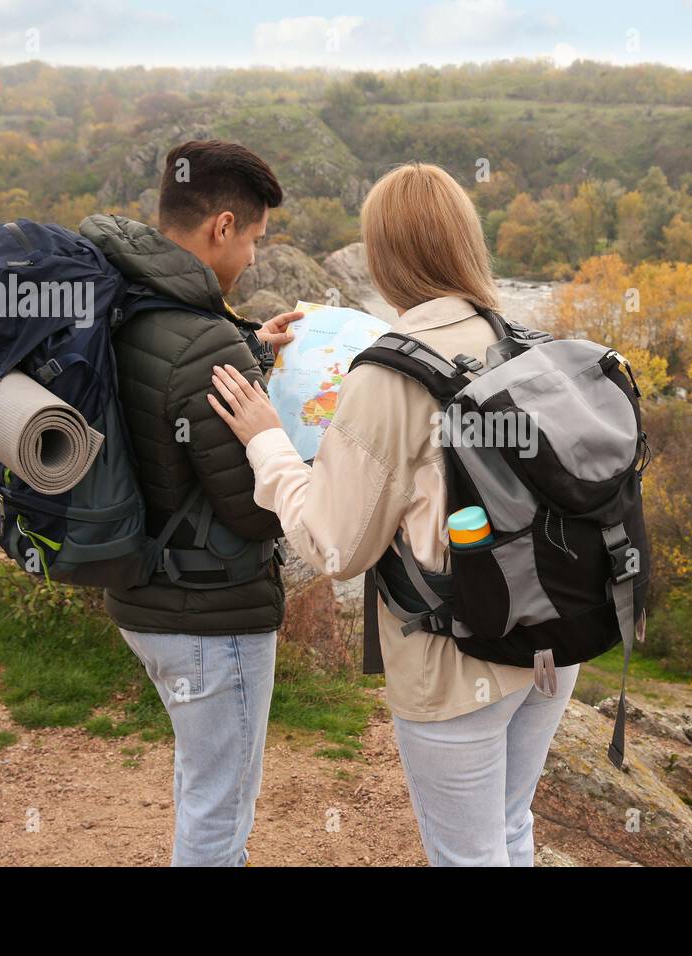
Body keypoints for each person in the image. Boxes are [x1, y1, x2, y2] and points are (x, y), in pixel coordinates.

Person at [206, 162, 578, 867]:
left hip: (456, 654)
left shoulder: (389, 374)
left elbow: (335, 545)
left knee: (469, 855)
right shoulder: (527, 343)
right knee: (508, 830)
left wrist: (265, 441)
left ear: (382, 257)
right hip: (554, 634)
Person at [79, 139, 302, 867]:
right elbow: (258, 514)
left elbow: (162, 406)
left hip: (142, 596)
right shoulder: (207, 346)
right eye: (255, 241)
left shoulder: (123, 299)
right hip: (212, 618)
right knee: (220, 807)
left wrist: (250, 352)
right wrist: (287, 449)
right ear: (223, 226)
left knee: (202, 778)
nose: (253, 259)